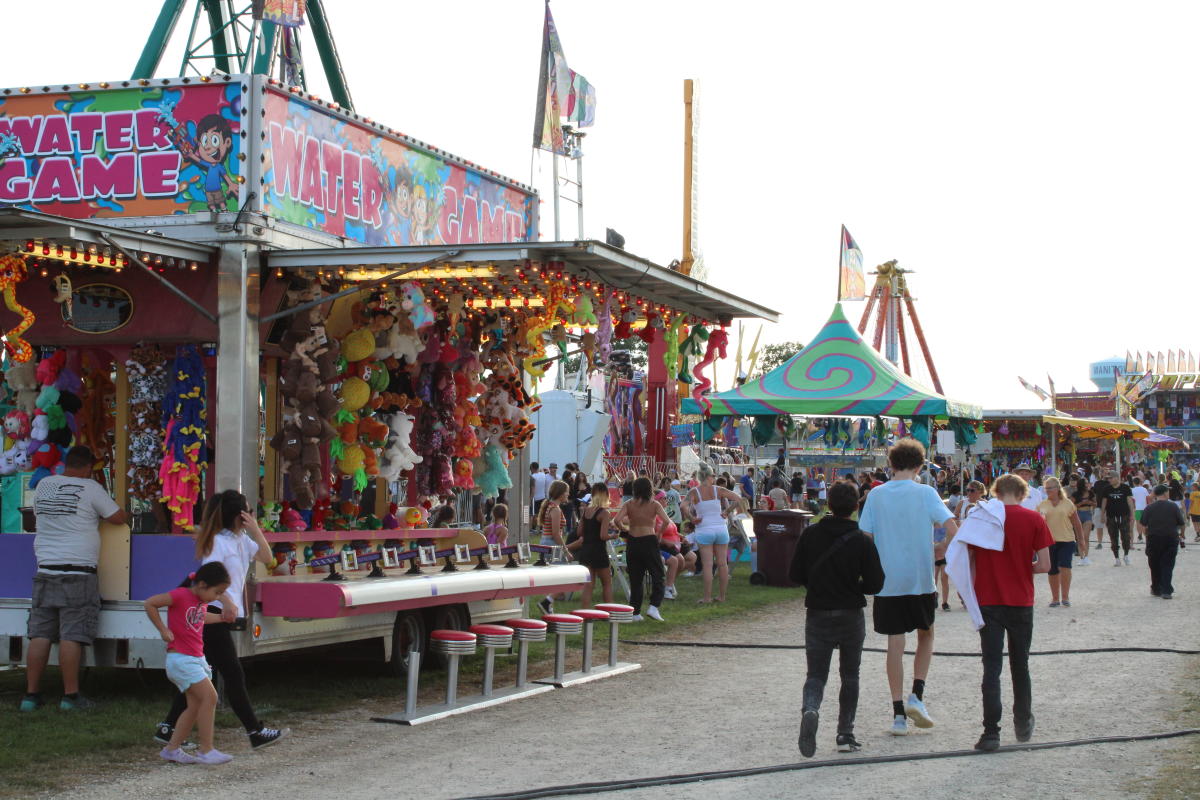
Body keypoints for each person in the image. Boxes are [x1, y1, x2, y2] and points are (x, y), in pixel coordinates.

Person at [156, 490, 288, 749]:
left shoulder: (240, 539)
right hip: (210, 613)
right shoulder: (219, 542)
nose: (252, 514)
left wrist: (256, 530)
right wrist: (227, 601)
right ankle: (255, 731)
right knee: (230, 673)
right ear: (239, 515)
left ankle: (167, 728)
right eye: (249, 511)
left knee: (201, 673)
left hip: (218, 613)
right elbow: (207, 576)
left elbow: (267, 558)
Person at [857, 438, 958, 736]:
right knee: (926, 634)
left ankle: (898, 713)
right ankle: (918, 694)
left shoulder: (876, 495)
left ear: (891, 464)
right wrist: (941, 547)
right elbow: (954, 529)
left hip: (888, 581)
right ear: (919, 465)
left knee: (894, 644)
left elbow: (865, 537)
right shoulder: (926, 492)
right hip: (920, 577)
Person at [21, 446, 127, 711]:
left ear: (65, 463)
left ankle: (30, 696)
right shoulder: (90, 488)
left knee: (40, 634)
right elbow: (118, 518)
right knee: (72, 634)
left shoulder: (44, 484)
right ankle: (71, 697)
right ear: (89, 468)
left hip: (45, 569)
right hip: (78, 572)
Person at [790, 482, 885, 757]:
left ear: (828, 504)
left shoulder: (810, 535)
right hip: (850, 613)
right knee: (850, 674)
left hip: (818, 611)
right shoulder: (861, 541)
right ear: (856, 507)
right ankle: (845, 732)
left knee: (816, 674)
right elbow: (876, 584)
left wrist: (816, 584)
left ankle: (811, 708)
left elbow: (795, 574)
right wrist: (855, 585)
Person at [969, 473, 1052, 752]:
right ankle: (1022, 721)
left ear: (994, 492)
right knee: (1020, 664)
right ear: (1023, 493)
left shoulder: (982, 519)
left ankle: (991, 732)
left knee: (991, 668)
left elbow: (965, 557)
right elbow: (1044, 565)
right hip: (1020, 600)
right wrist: (1020, 568)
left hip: (988, 600)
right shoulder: (1034, 520)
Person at [143, 562, 234, 764]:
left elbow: (200, 618)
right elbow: (150, 603)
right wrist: (162, 630)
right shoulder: (180, 595)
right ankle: (206, 749)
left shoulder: (199, 601)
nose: (218, 597)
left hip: (195, 658)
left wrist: (221, 618)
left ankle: (172, 749)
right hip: (181, 659)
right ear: (202, 585)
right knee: (210, 697)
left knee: (194, 707)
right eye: (217, 592)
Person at [682, 465, 746, 605]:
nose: (714, 478)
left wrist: (692, 519)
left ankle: (707, 598)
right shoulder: (719, 490)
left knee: (707, 565)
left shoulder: (694, 491)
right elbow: (738, 498)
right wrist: (726, 511)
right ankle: (722, 597)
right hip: (720, 529)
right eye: (713, 476)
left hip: (704, 529)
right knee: (723, 564)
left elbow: (683, 506)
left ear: (699, 477)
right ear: (710, 477)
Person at [611, 477, 672, 622]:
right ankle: (653, 606)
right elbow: (667, 521)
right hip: (649, 540)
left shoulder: (629, 504)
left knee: (636, 578)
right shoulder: (654, 504)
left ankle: (635, 612)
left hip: (633, 542)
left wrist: (624, 530)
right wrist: (659, 534)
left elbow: (617, 520)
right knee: (658, 574)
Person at [1037, 477, 1083, 607]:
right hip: (1049, 541)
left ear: (1057, 488)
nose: (1048, 491)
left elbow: (1077, 523)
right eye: (1046, 488)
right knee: (1052, 570)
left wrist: (1081, 540)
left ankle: (1065, 596)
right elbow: (1037, 525)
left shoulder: (1068, 503)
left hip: (1067, 540)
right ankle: (1055, 598)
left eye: (1050, 488)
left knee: (1065, 566)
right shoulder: (1042, 505)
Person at [570, 483, 618, 607]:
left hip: (586, 550)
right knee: (607, 583)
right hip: (599, 551)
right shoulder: (604, 513)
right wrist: (613, 535)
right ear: (606, 495)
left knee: (588, 585)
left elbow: (579, 532)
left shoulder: (586, 511)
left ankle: (585, 613)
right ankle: (609, 611)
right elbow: (603, 536)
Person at [1142, 484, 1186, 599]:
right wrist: (1182, 535)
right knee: (1168, 564)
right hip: (1170, 538)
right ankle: (1166, 590)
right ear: (1165, 493)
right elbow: (1181, 523)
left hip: (1153, 538)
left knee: (1154, 564)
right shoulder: (1173, 507)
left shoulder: (1149, 508)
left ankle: (1156, 588)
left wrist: (1147, 536)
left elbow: (1143, 524)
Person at [535, 480, 570, 614]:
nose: (568, 494)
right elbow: (556, 534)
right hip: (552, 544)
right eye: (566, 492)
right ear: (561, 494)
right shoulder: (555, 509)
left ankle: (548, 604)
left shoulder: (549, 506)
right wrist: (565, 550)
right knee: (567, 577)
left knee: (558, 577)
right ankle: (547, 601)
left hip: (546, 542)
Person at [1096, 471, 1135, 566]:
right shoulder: (1107, 489)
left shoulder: (1125, 488)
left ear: (1117, 478)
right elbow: (1104, 502)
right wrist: (1102, 515)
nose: (1109, 480)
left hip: (1124, 516)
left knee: (1126, 537)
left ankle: (1126, 555)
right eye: (1108, 478)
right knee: (1113, 538)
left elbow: (1129, 501)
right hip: (1111, 516)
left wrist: (1132, 515)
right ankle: (1117, 558)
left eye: (1111, 478)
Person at [1073, 478, 1096, 565]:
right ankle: (1081, 557)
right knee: (1079, 537)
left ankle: (1086, 556)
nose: (1087, 484)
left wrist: (1090, 502)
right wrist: (1081, 503)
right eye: (1086, 483)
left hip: (1087, 514)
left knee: (1086, 537)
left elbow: (1096, 503)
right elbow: (1071, 506)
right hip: (1078, 514)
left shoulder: (1091, 493)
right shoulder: (1075, 494)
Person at [1131, 477, 1150, 541]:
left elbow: (1132, 500)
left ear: (1133, 483)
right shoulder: (1144, 489)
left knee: (1138, 523)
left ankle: (1140, 536)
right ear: (1140, 482)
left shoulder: (1132, 490)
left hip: (1137, 508)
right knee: (1145, 523)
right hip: (1145, 508)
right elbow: (1147, 498)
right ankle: (1147, 536)